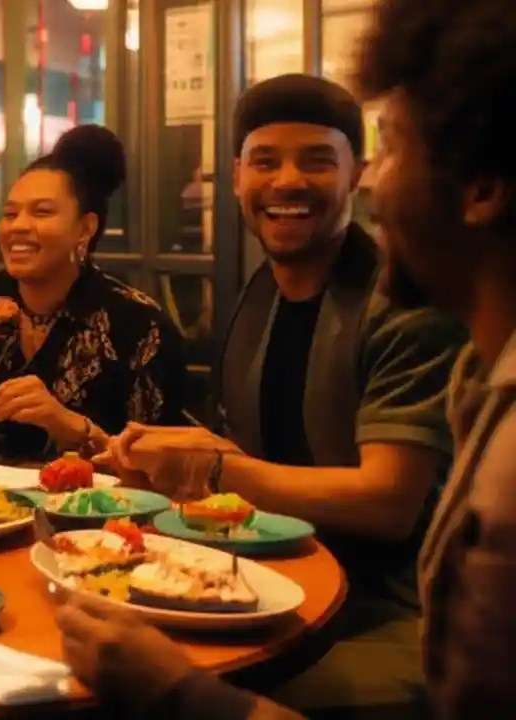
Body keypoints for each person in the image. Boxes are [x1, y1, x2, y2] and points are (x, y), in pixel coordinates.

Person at [57, 0, 516, 717]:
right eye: (264, 162)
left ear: (356, 173)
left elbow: (389, 503)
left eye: (388, 150)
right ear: (236, 176)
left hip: (381, 614)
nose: (289, 183)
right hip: (278, 577)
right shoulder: (261, 294)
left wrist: (215, 467)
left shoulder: (404, 307)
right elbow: (250, 462)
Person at [0, 125, 189, 465]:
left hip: (92, 514)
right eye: (10, 214)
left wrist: (68, 425)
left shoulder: (137, 324)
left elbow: (163, 468)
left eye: (42, 212)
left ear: (85, 229)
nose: (18, 226)